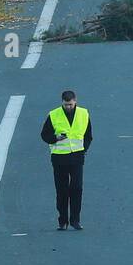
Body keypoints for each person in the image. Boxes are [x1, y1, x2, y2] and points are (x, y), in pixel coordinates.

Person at [39, 90, 92, 231]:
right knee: (62, 191)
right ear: (61, 102)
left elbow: (88, 135)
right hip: (59, 158)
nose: (68, 107)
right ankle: (62, 221)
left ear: (75, 101)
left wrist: (83, 149)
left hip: (76, 157)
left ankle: (75, 220)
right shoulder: (54, 115)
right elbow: (44, 135)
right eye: (65, 104)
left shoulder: (83, 114)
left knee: (77, 188)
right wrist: (55, 138)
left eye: (70, 104)